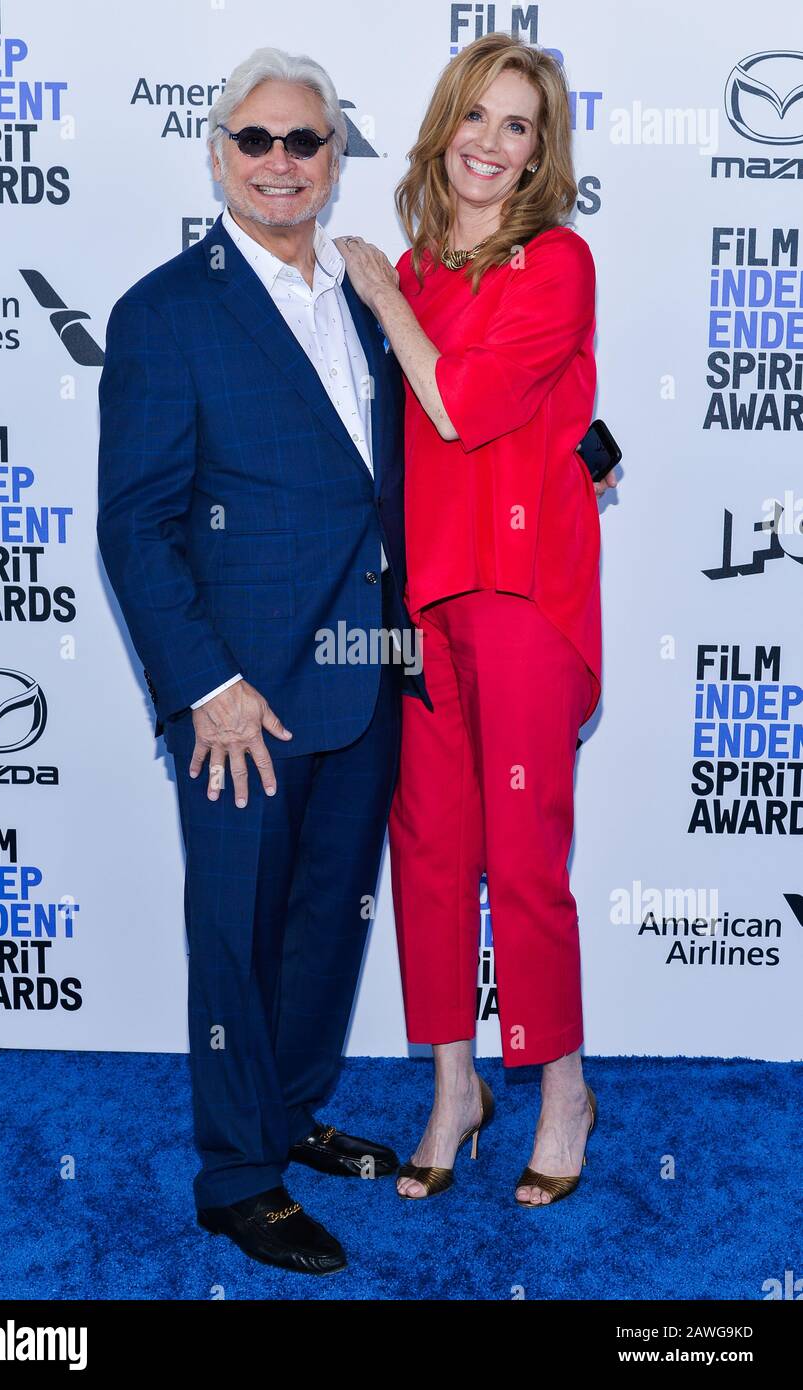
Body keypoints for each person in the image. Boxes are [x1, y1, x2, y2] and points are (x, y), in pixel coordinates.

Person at [97, 45, 428, 1274]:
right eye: (257, 140)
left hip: (366, 669)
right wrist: (203, 686)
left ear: (337, 159)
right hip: (238, 695)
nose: (281, 161)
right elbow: (135, 520)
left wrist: (583, 455)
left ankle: (287, 1114)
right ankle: (237, 1178)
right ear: (219, 153)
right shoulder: (165, 310)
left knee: (327, 924)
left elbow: (454, 427)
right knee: (236, 930)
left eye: (306, 141)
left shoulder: (366, 293)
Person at [338, 33, 617, 1206]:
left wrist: (385, 296)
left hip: (521, 596)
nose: (493, 144)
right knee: (433, 851)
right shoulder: (420, 268)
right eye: (478, 118)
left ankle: (563, 1088)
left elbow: (458, 404)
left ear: (542, 152)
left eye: (520, 127)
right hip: (422, 598)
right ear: (446, 124)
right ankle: (454, 1083)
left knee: (523, 857)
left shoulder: (555, 262)